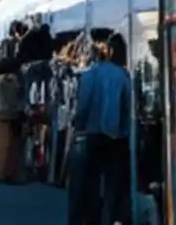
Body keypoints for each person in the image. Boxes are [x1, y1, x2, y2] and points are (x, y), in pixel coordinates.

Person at [67, 39, 131, 225]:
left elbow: (82, 107)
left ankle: (86, 218)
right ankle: (111, 217)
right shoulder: (122, 76)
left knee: (85, 183)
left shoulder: (89, 75)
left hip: (90, 136)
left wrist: (78, 127)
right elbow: (127, 108)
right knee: (114, 184)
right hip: (115, 137)